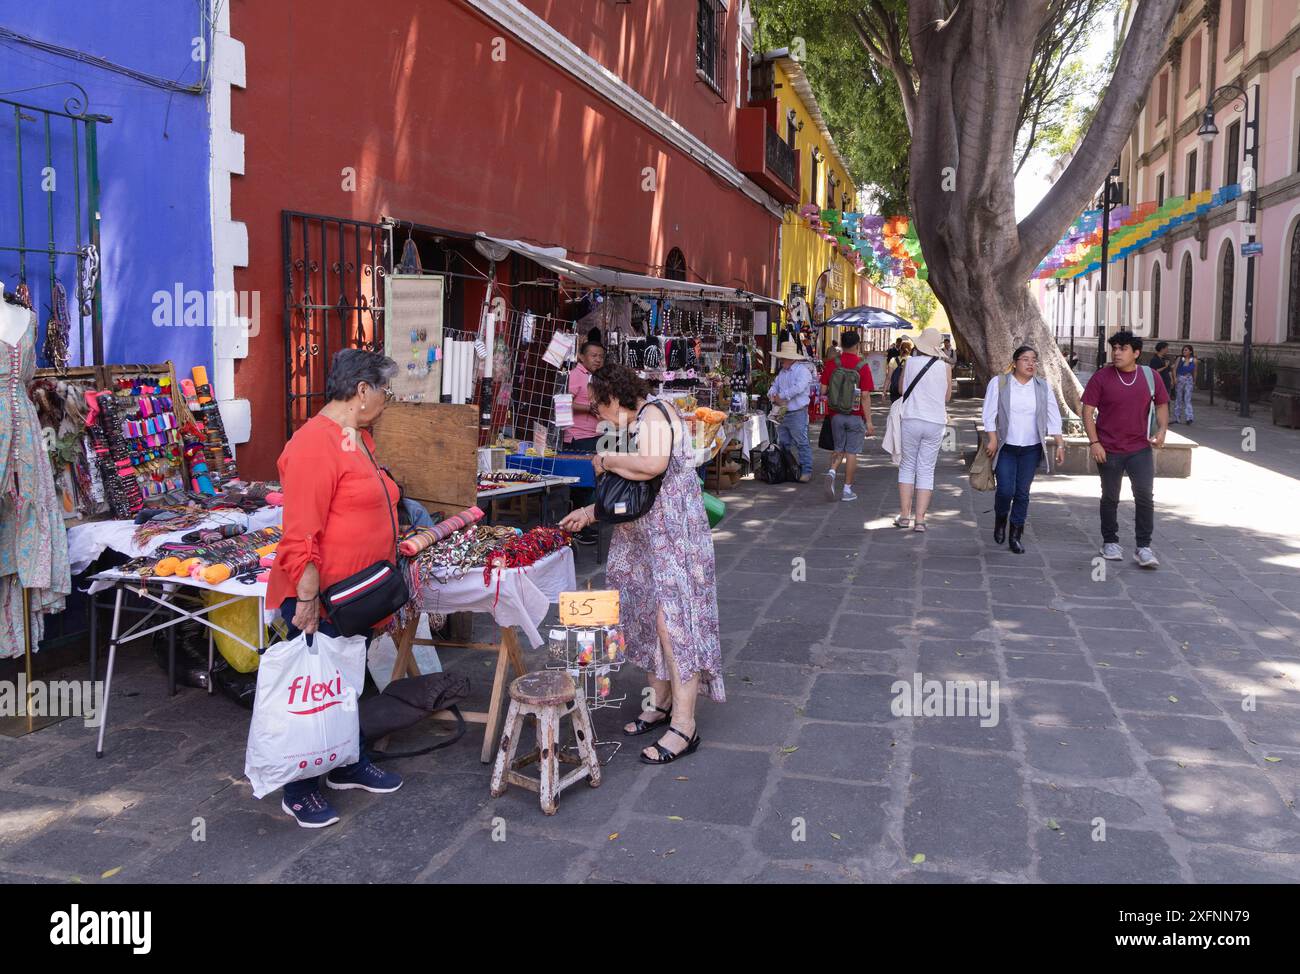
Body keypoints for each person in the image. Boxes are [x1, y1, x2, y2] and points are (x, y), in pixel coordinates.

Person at [265, 349, 406, 828]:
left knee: (345, 681)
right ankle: (298, 786)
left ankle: (346, 761)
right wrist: (306, 598)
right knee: (313, 689)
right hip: (322, 598)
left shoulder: (357, 437)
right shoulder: (313, 444)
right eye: (384, 389)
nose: (387, 399)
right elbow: (302, 532)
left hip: (357, 594)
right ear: (362, 391)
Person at [559, 364, 722, 764]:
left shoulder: (653, 413)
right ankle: (661, 702)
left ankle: (685, 726)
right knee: (650, 619)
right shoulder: (633, 423)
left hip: (672, 538)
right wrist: (590, 511)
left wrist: (607, 460)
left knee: (673, 624)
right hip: (647, 536)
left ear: (615, 397)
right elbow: (632, 490)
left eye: (598, 406)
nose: (597, 414)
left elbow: (651, 466)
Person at [1082, 330, 1170, 569]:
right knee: (1110, 496)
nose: (1117, 353)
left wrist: (1162, 430)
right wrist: (1094, 442)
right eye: (1115, 348)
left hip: (1139, 448)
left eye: (1123, 349)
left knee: (1144, 495)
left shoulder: (1150, 376)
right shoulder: (1102, 377)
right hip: (1108, 449)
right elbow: (1087, 411)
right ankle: (1110, 541)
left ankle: (1144, 547)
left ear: (1136, 353)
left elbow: (1162, 404)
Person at [982, 346, 1065, 553]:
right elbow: (988, 413)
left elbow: (1053, 415)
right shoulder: (1000, 382)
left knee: (1022, 493)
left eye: (1034, 360)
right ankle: (1001, 518)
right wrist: (992, 438)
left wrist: (1060, 443)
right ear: (1015, 362)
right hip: (1006, 448)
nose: (1030, 364)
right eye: (1025, 359)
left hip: (1031, 448)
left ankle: (1015, 534)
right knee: (1005, 490)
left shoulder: (1042, 386)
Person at [895, 327, 953, 531]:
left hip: (911, 418)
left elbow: (901, 389)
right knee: (926, 469)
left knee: (907, 465)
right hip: (935, 421)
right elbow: (947, 397)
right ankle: (920, 520)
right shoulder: (945, 367)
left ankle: (904, 516)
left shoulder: (910, 363)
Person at [819, 330, 876, 502]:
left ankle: (832, 471)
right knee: (851, 452)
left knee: (839, 447)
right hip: (855, 415)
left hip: (836, 414)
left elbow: (822, 390)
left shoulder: (832, 363)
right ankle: (847, 490)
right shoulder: (862, 365)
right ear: (857, 345)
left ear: (841, 344)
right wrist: (870, 422)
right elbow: (865, 396)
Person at [563, 340, 605, 544]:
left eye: (600, 356)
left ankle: (586, 523)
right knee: (582, 485)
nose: (598, 359)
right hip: (578, 436)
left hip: (594, 434)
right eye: (593, 355)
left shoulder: (595, 378)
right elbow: (565, 402)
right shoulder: (575, 375)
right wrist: (588, 409)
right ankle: (577, 527)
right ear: (581, 357)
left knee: (593, 482)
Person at [768, 339, 815, 482]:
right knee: (784, 443)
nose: (781, 360)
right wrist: (772, 394)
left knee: (801, 442)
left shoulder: (803, 371)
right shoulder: (782, 372)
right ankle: (788, 468)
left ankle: (806, 470)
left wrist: (780, 396)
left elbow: (798, 388)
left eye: (783, 358)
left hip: (797, 412)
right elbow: (774, 385)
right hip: (784, 412)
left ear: (789, 358)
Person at [1173, 344, 1196, 425]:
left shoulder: (1193, 360)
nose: (1184, 351)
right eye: (1183, 350)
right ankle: (1177, 417)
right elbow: (1174, 369)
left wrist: (1194, 381)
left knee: (1187, 398)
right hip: (1180, 378)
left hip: (1189, 379)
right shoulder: (1180, 359)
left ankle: (1189, 417)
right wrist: (1175, 378)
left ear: (1190, 351)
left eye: (1186, 350)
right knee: (1178, 398)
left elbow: (1195, 371)